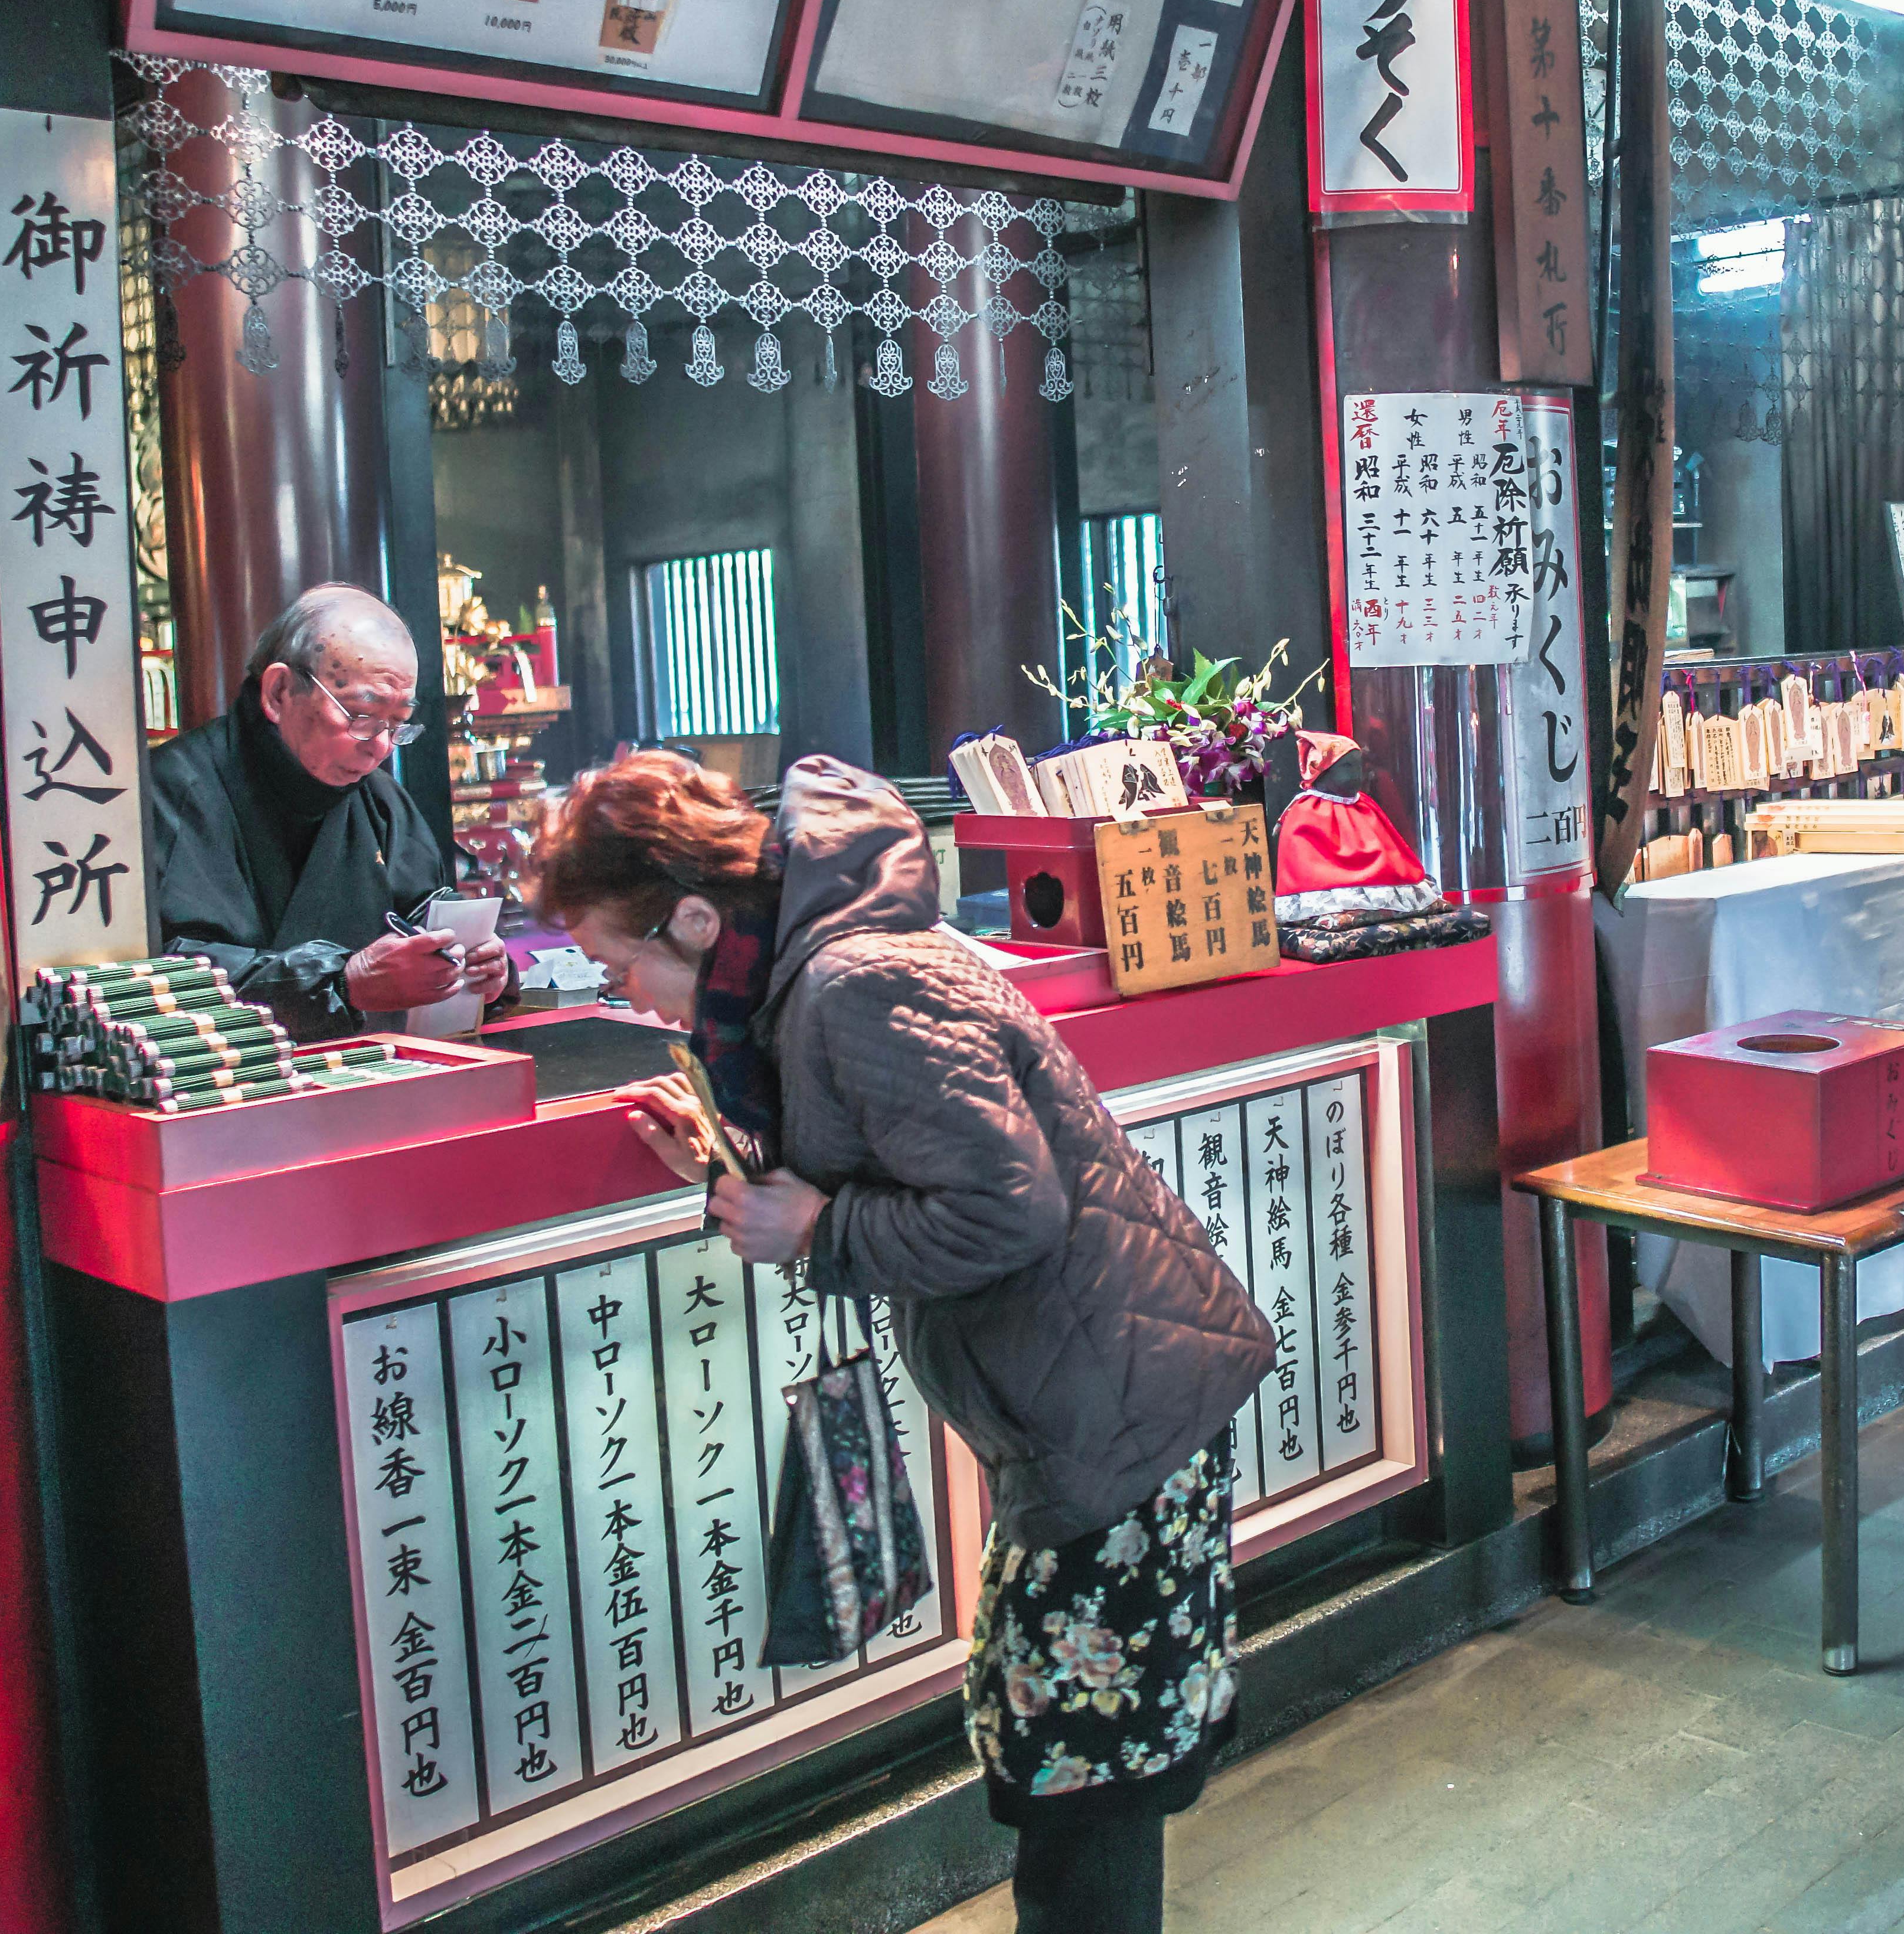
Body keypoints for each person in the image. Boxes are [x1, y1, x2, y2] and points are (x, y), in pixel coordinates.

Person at [524, 752, 1273, 1934]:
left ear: (698, 916)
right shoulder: (824, 961)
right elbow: (893, 1139)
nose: (628, 1000)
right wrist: (735, 1164)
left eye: (623, 965)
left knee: (1077, 1778)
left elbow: (1007, 1206)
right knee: (1079, 1762)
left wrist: (819, 1229)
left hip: (1112, 1409)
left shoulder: (852, 979)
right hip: (1104, 1396)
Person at [146, 583, 508, 1038]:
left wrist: (475, 963)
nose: (380, 748)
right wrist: (342, 983)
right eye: (361, 715)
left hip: (374, 1076)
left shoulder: (379, 799)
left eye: (397, 724)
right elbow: (164, 976)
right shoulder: (172, 792)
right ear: (279, 692)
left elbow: (424, 911)